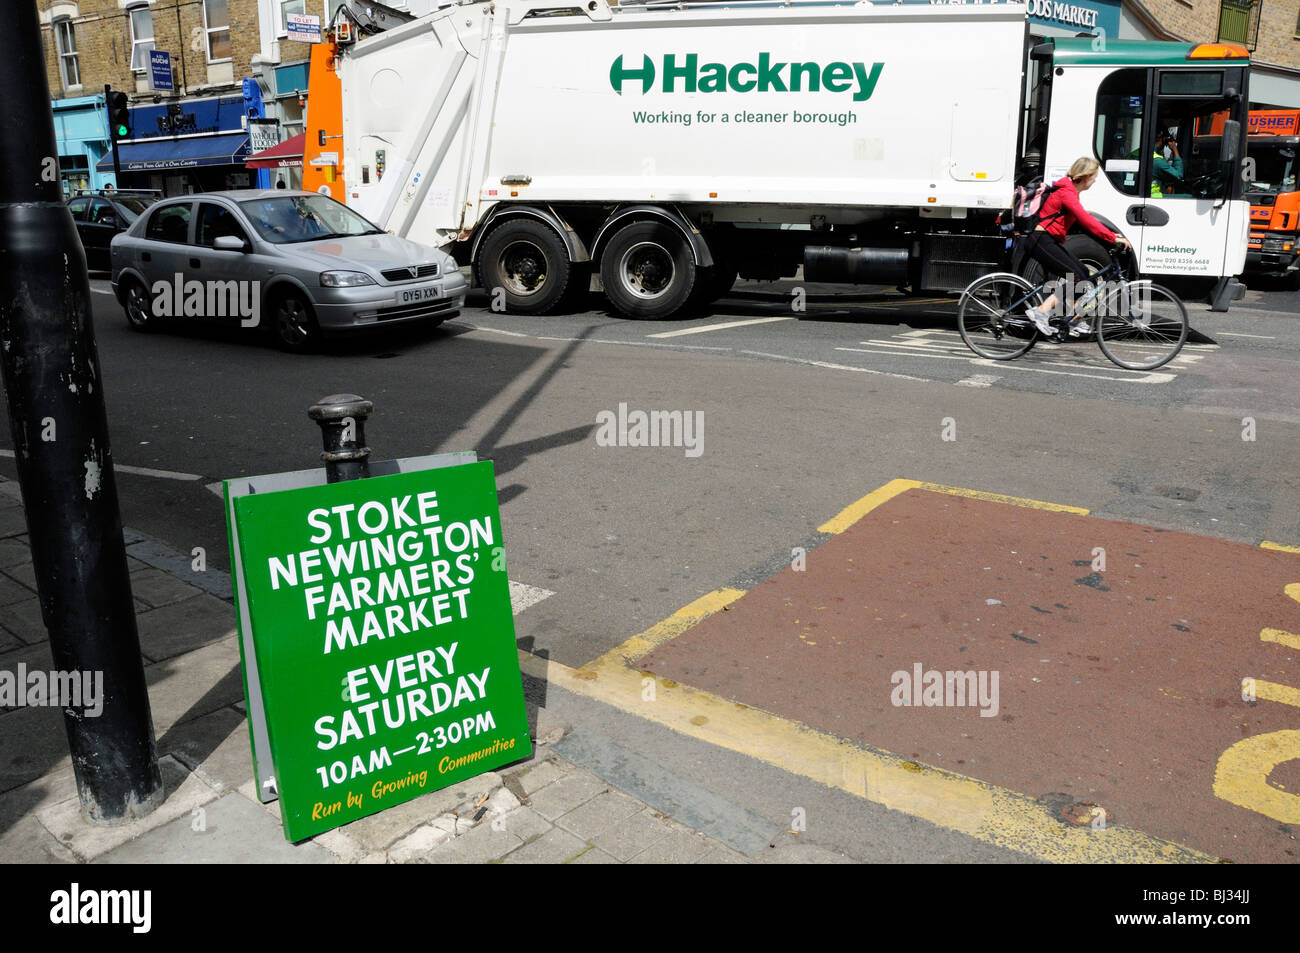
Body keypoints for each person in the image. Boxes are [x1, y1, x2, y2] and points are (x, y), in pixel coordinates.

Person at [1022, 157, 1131, 337]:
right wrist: (1112, 237)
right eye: (1094, 177)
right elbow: (1086, 220)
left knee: (1083, 274)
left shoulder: (1071, 192)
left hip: (1047, 240)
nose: (1094, 180)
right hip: (1040, 240)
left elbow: (1085, 221)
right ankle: (1040, 312)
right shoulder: (1066, 192)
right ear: (1085, 175)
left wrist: (1112, 237)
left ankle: (1073, 319)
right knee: (1077, 278)